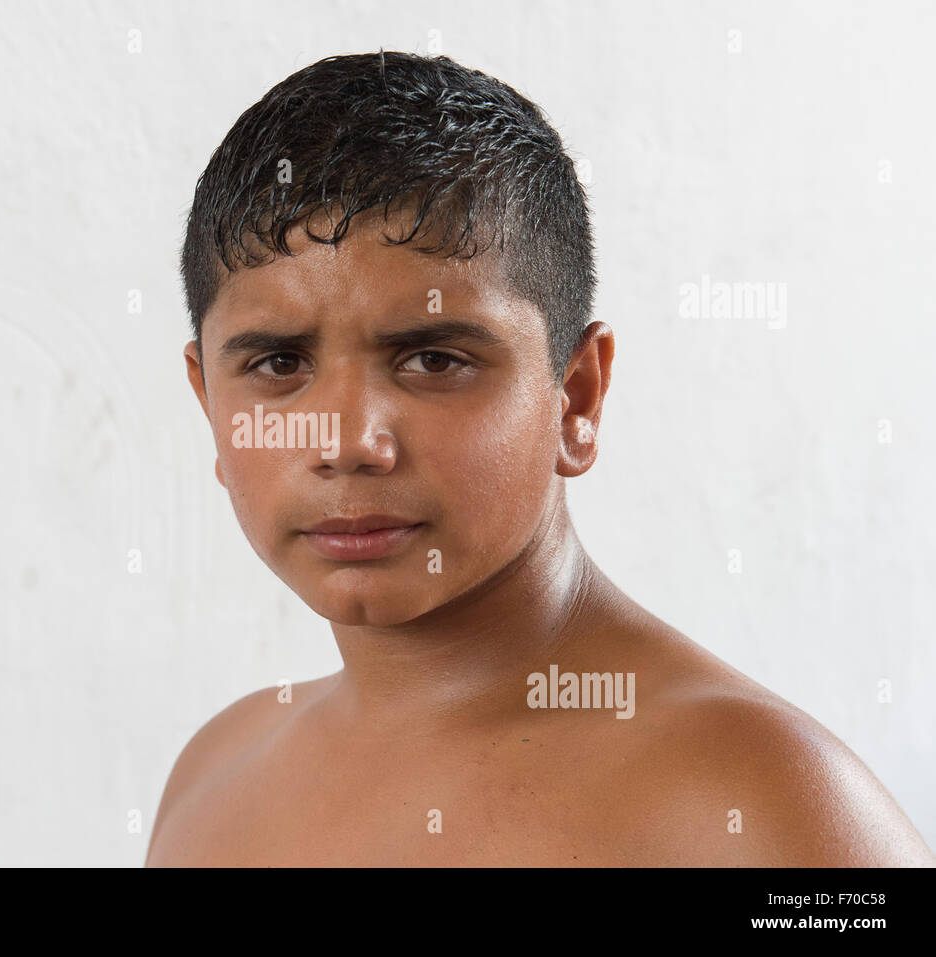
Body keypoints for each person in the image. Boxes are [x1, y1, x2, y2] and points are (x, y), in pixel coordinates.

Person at [146, 50, 935, 866]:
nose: (349, 442)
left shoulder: (763, 811)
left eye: (434, 360)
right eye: (279, 365)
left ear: (577, 398)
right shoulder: (213, 779)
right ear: (211, 405)